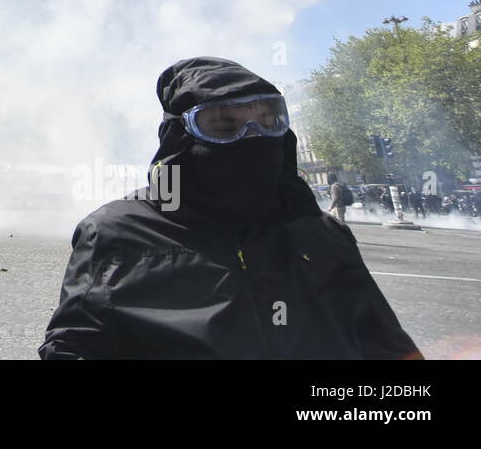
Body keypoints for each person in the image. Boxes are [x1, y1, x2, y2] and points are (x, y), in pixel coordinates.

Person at [39, 56, 423, 359]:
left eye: (267, 121)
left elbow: (386, 343)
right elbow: (75, 348)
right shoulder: (115, 233)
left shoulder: (321, 232)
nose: (252, 137)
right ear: (179, 139)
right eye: (224, 126)